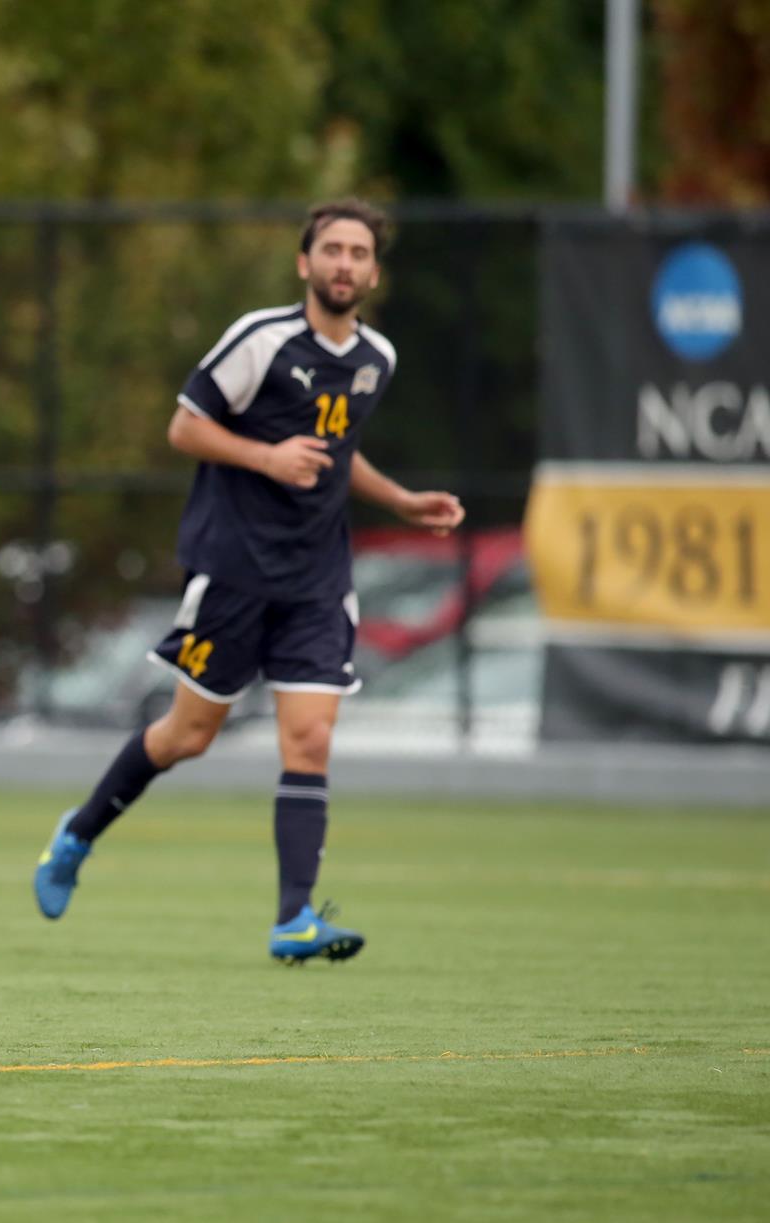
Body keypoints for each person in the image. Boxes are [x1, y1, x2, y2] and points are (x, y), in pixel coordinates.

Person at [32, 200, 463, 963]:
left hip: (318, 579)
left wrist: (400, 500)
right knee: (186, 735)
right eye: (330, 248)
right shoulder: (261, 341)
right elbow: (184, 425)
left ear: (372, 270)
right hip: (235, 571)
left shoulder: (377, 359)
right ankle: (78, 834)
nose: (343, 263)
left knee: (310, 737)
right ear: (305, 262)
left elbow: (338, 450)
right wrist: (266, 458)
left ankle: (293, 917)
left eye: (358, 252)